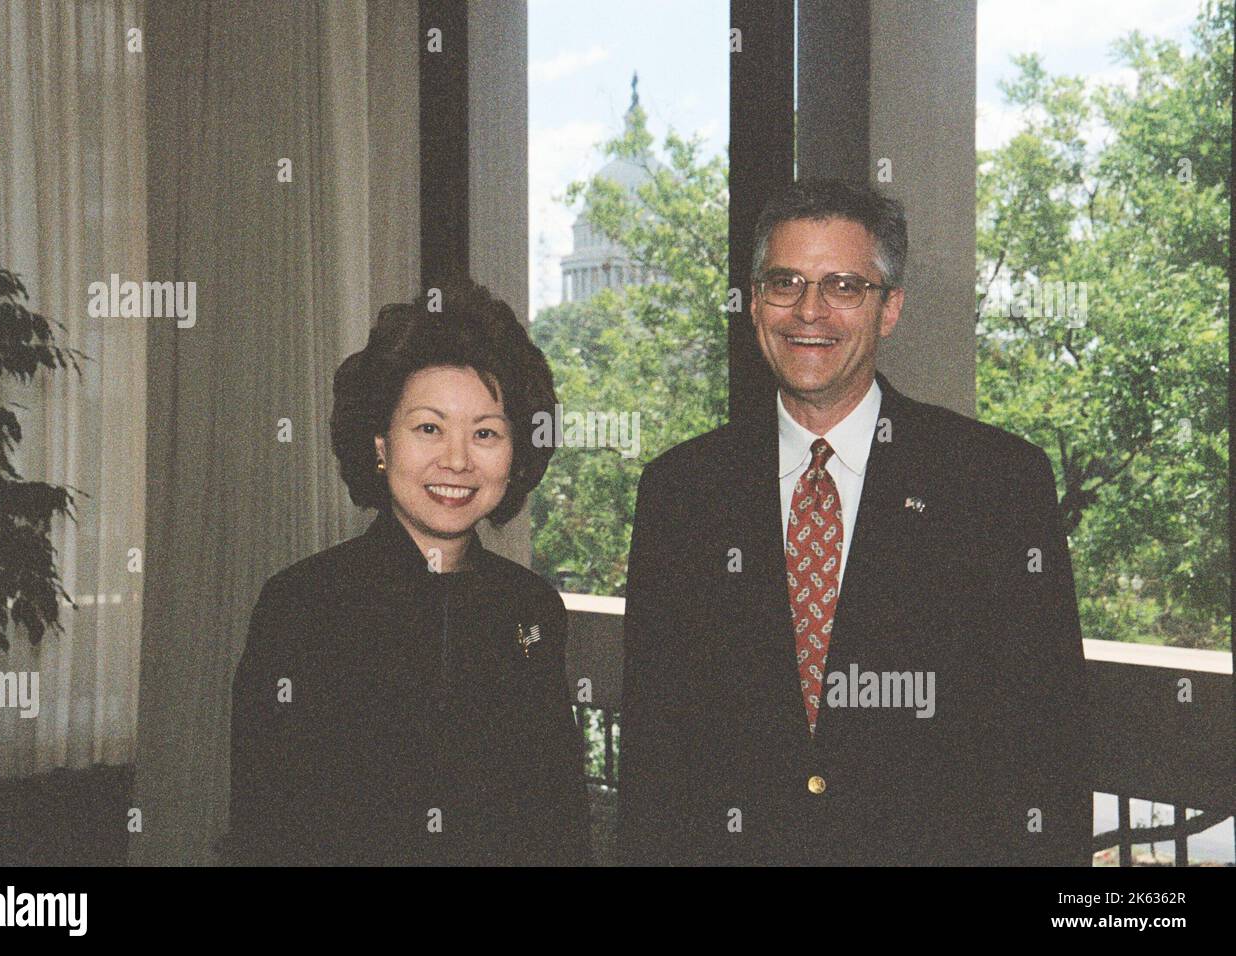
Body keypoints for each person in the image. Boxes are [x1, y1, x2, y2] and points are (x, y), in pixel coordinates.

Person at [618, 177, 1091, 866]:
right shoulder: (681, 494)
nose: (810, 312)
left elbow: (1047, 749)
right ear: (754, 303)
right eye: (785, 283)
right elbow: (654, 765)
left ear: (889, 307)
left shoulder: (996, 486)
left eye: (843, 286)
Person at [226, 282, 589, 865]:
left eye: (486, 433)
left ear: (515, 454)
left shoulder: (529, 609)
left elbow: (558, 819)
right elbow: (268, 827)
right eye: (428, 428)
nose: (457, 459)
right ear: (379, 444)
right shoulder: (304, 605)